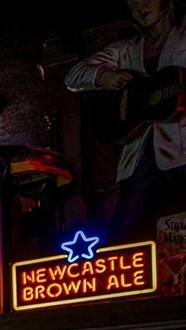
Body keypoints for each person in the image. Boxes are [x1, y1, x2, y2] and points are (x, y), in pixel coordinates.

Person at [65, 0, 186, 240]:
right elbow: (73, 75)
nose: (139, 7)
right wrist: (104, 75)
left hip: (181, 149)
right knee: (124, 235)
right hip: (138, 154)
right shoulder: (127, 50)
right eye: (132, 4)